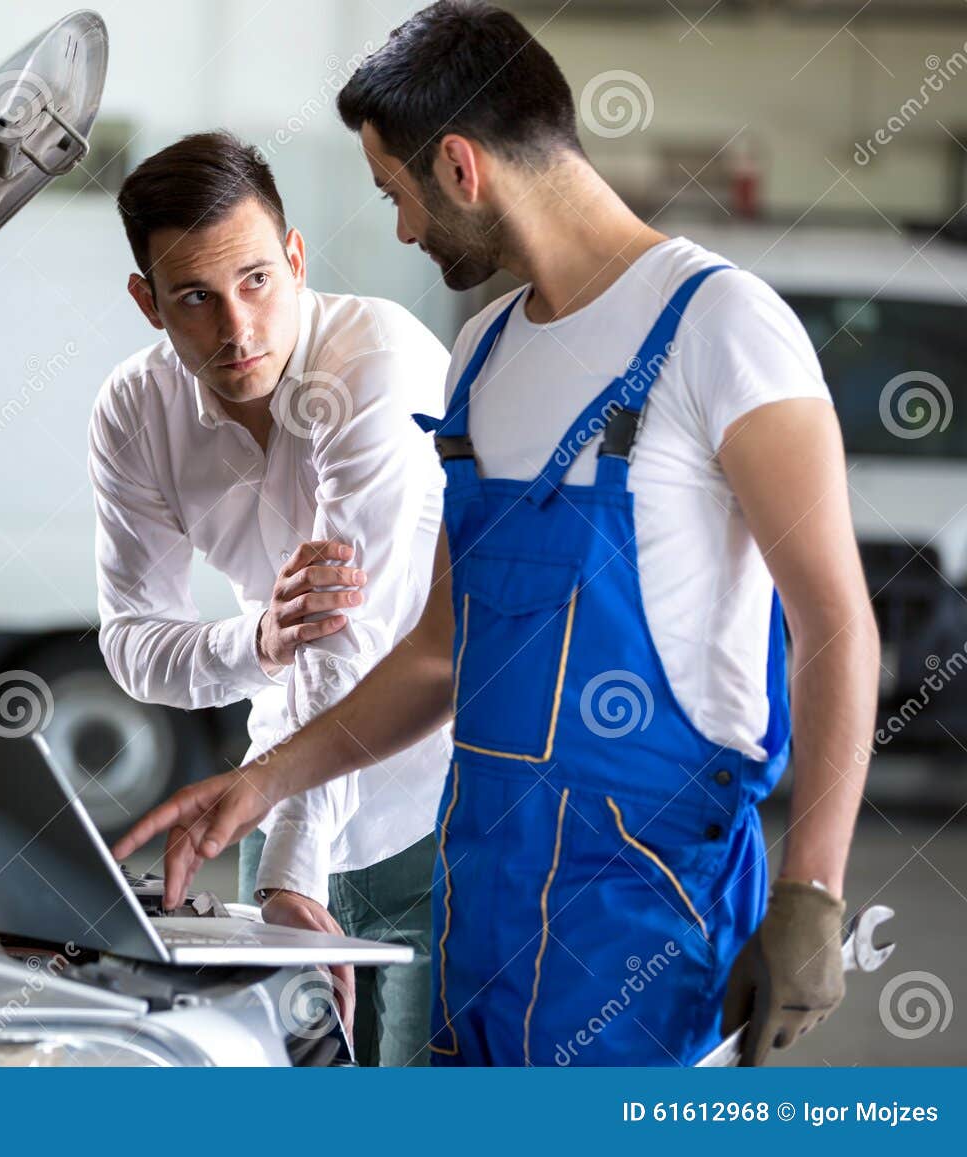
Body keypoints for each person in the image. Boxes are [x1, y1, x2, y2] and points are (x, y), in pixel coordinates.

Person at [113, 3, 878, 1068]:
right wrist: (263, 780)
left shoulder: (721, 326)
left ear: (461, 168)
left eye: (396, 193)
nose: (402, 231)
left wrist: (812, 888)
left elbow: (833, 619)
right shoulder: (481, 357)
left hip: (648, 932)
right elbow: (438, 649)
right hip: (483, 927)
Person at [89, 131, 454, 1064]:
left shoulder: (371, 362)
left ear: (295, 258)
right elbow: (132, 642)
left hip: (442, 803)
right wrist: (253, 641)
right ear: (147, 301)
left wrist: (291, 866)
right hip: (281, 779)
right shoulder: (134, 412)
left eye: (256, 280)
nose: (237, 330)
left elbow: (346, 641)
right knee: (279, 1092)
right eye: (196, 299)